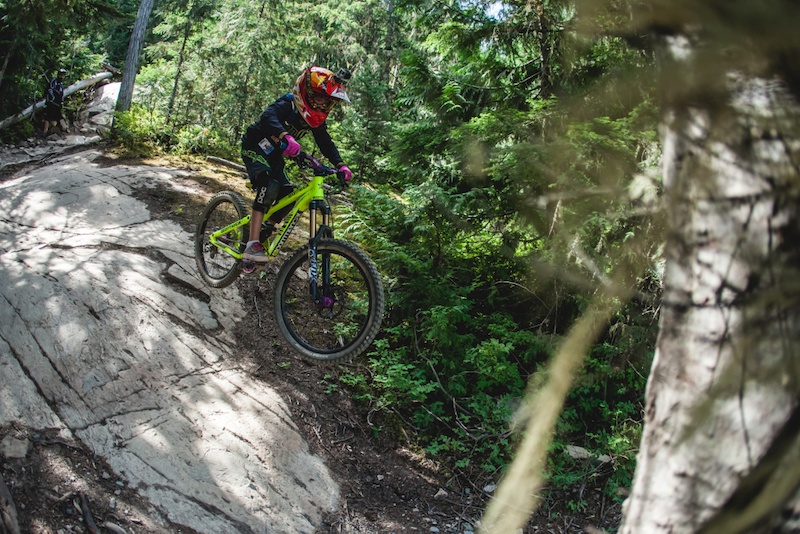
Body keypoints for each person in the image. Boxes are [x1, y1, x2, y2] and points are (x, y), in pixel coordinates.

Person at [240, 66, 353, 271]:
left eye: (327, 101)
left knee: (288, 194)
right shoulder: (289, 103)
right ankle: (251, 245)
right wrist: (285, 136)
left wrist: (340, 164)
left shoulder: (314, 120)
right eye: (319, 98)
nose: (322, 104)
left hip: (274, 157)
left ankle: (267, 227)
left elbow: (325, 143)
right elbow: (268, 117)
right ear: (307, 93)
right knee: (269, 185)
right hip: (255, 146)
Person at [43, 68, 67, 135]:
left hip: (57, 103)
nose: (62, 76)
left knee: (56, 117)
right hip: (52, 102)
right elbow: (49, 91)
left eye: (63, 75)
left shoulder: (60, 83)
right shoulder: (54, 82)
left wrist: (61, 102)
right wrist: (51, 100)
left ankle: (52, 131)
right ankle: (45, 131)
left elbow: (61, 94)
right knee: (48, 117)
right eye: (61, 74)